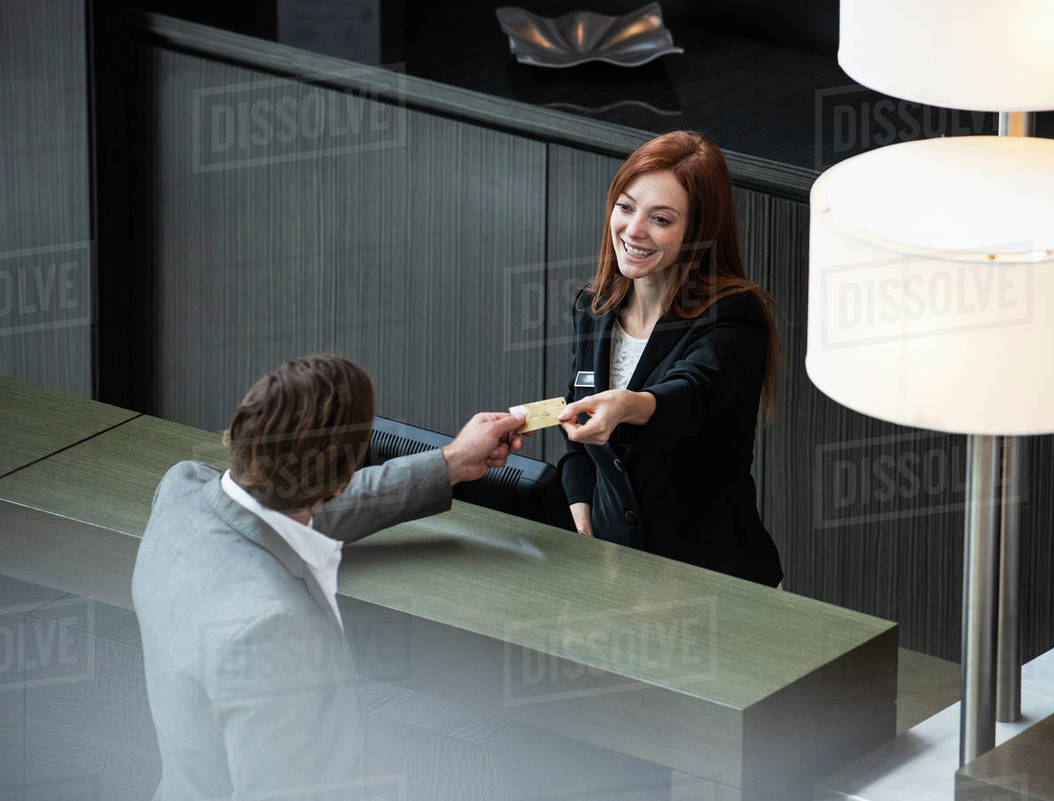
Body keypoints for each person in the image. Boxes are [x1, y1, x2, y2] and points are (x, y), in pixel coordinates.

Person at [132, 353, 525, 801]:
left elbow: (294, 507)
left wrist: (452, 462)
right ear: (339, 479)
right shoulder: (274, 630)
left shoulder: (182, 490)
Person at [556, 130, 784, 587]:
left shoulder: (734, 315)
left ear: (699, 231)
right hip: (615, 575)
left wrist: (628, 404)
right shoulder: (593, 305)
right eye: (625, 207)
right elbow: (580, 438)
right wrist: (580, 505)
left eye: (660, 219)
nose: (634, 230)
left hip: (717, 584)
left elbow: (691, 393)